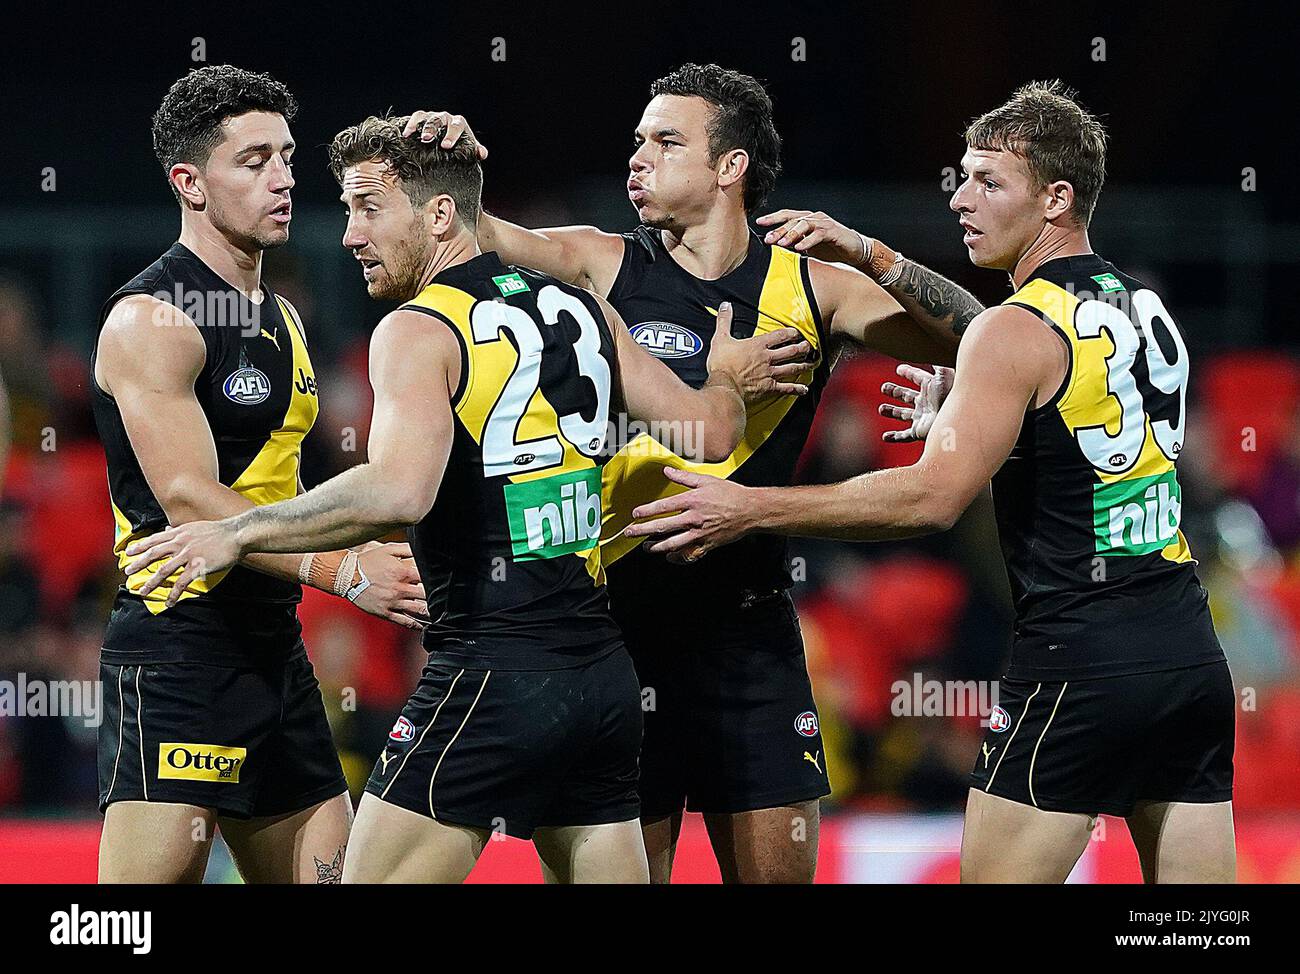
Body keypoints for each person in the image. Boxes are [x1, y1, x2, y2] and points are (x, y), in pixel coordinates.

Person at [121, 114, 812, 883]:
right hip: (603, 681)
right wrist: (723, 374)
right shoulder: (584, 308)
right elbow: (713, 434)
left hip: (491, 671)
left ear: (440, 214)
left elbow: (397, 491)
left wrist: (241, 532)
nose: (350, 234)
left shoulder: (417, 329)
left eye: (368, 208)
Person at [625, 81, 1236, 884]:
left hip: (1079, 655)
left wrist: (750, 507)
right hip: (1186, 651)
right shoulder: (1143, 305)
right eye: (962, 177)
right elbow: (1089, 440)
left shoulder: (1015, 328)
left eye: (989, 182)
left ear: (1056, 198)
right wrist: (988, 418)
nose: (961, 200)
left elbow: (931, 499)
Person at [403, 61, 982, 882]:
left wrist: (874, 253)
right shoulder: (601, 265)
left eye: (667, 141)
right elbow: (472, 233)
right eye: (637, 141)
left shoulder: (816, 288)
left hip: (749, 636)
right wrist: (452, 165)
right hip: (616, 634)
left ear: (730, 166)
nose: (638, 158)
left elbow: (994, 341)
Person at [92, 66, 427, 884]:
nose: (283, 178)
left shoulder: (279, 317)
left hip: (274, 649)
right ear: (190, 183)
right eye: (252, 161)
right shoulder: (151, 319)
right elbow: (190, 503)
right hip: (179, 651)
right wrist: (340, 570)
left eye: (285, 155)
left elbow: (297, 491)